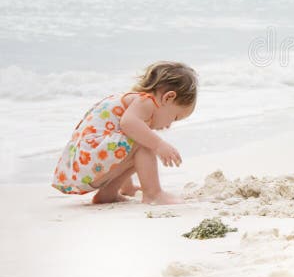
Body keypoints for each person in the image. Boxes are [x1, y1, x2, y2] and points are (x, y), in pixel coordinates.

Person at [52, 61, 197, 205]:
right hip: (89, 160)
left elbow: (121, 146)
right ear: (168, 97)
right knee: (143, 142)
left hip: (82, 167)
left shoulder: (132, 100)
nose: (169, 125)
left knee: (136, 143)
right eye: (175, 117)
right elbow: (128, 124)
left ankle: (109, 193)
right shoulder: (146, 102)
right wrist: (159, 144)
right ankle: (153, 194)